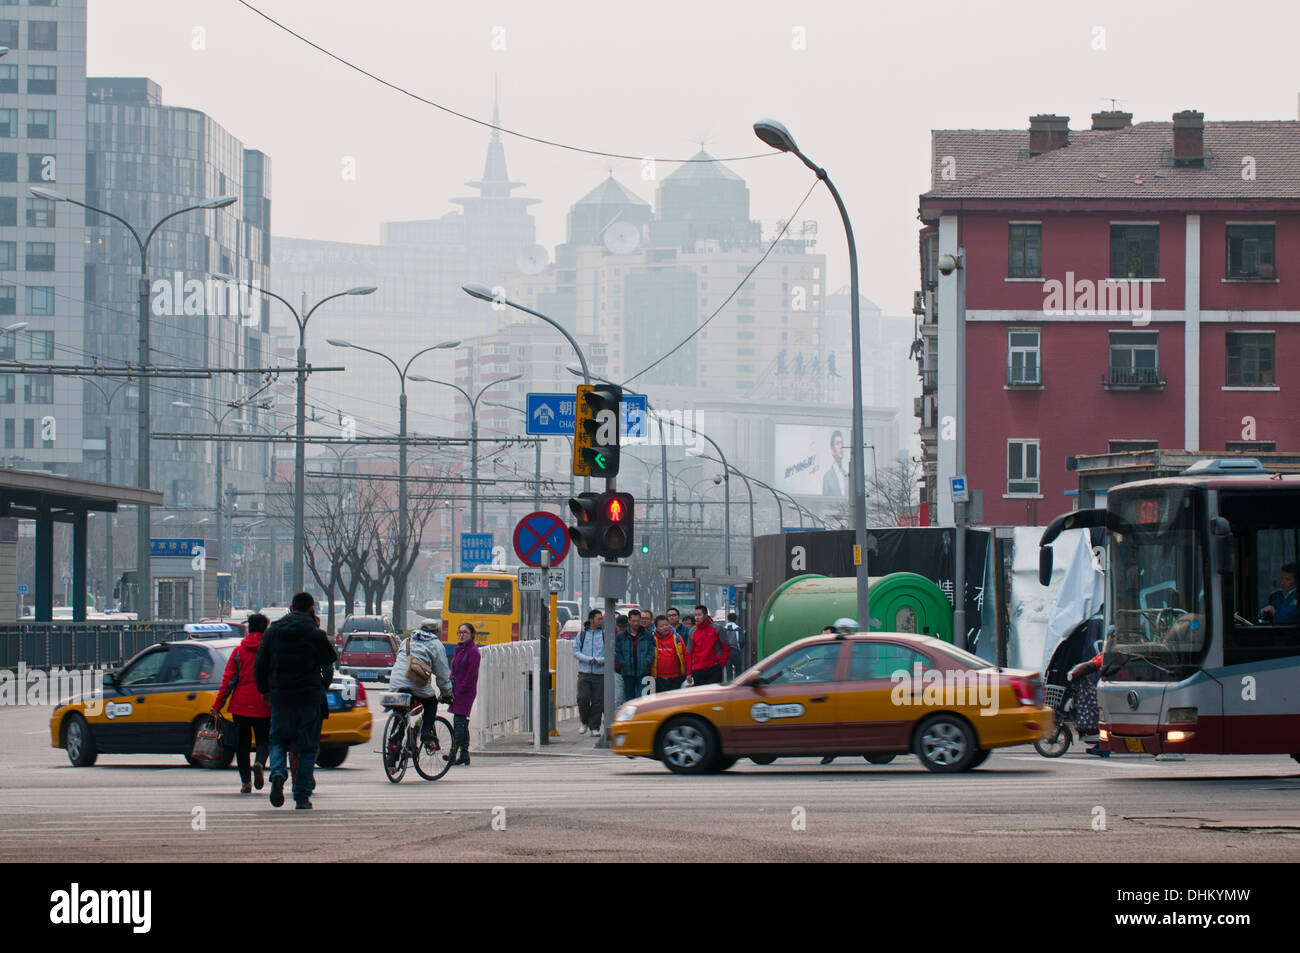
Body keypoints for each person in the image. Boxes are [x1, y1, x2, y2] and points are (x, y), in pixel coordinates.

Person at [255, 592, 338, 810]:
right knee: (307, 747)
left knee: (278, 741)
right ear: (312, 608)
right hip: (308, 697)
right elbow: (329, 660)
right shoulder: (315, 633)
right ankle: (301, 797)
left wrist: (264, 689)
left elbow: (260, 663)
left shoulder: (273, 632)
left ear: (291, 608)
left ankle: (278, 774)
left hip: (280, 697)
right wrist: (322, 684)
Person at [212, 612, 272, 794]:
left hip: (241, 705)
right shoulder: (270, 652)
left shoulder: (238, 652)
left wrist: (217, 706)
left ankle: (246, 782)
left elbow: (228, 681)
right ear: (265, 629)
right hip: (264, 703)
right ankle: (260, 763)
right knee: (264, 740)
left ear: (248, 629)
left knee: (242, 745)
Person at [389, 621, 453, 746]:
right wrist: (447, 694)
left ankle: (393, 745)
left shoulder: (406, 641)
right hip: (415, 682)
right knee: (431, 703)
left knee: (401, 712)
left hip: (396, 682)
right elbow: (442, 675)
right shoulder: (436, 644)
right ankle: (426, 731)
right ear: (436, 631)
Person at [447, 623, 480, 765]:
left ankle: (453, 754)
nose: (461, 635)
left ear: (472, 634)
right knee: (461, 723)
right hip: (457, 690)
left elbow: (471, 676)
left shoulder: (473, 652)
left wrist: (459, 691)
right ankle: (464, 754)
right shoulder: (459, 650)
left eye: (465, 632)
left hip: (465, 692)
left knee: (459, 723)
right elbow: (453, 671)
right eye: (459, 632)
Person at [574, 609, 605, 736]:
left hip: (599, 672)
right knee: (583, 698)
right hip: (584, 672)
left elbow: (610, 652)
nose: (601, 621)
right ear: (591, 620)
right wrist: (588, 660)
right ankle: (584, 721)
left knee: (598, 701)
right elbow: (576, 651)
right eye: (598, 619)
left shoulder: (604, 635)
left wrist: (599, 660)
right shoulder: (582, 634)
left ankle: (595, 726)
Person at [616, 609, 655, 702]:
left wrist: (647, 661)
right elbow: (617, 652)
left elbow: (651, 650)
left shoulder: (647, 635)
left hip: (643, 671)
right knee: (629, 699)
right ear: (629, 621)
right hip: (627, 672)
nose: (636, 623)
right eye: (634, 621)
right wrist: (623, 663)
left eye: (638, 621)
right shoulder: (621, 636)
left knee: (641, 698)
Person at [685, 605, 728, 686]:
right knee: (700, 696)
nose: (697, 617)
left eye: (699, 615)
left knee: (714, 696)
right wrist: (688, 673)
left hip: (714, 669)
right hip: (697, 670)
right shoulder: (692, 631)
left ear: (706, 616)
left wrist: (721, 664)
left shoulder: (717, 629)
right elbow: (689, 653)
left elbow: (726, 647)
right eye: (695, 615)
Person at [651, 614, 690, 692]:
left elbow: (686, 655)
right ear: (657, 628)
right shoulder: (652, 639)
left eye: (666, 624)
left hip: (676, 677)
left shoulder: (677, 638)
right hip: (658, 678)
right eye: (661, 626)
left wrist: (688, 673)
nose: (665, 627)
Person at [822, 430, 848, 497]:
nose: (841, 446)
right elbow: (825, 503)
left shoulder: (848, 476)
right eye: (838, 443)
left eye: (842, 443)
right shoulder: (827, 477)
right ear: (832, 450)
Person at [720, 611, 744, 678]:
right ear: (736, 619)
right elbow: (741, 641)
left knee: (728, 670)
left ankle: (729, 685)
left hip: (726, 652)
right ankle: (738, 685)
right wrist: (739, 648)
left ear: (728, 619)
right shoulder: (738, 629)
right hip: (736, 651)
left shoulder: (723, 629)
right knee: (738, 670)